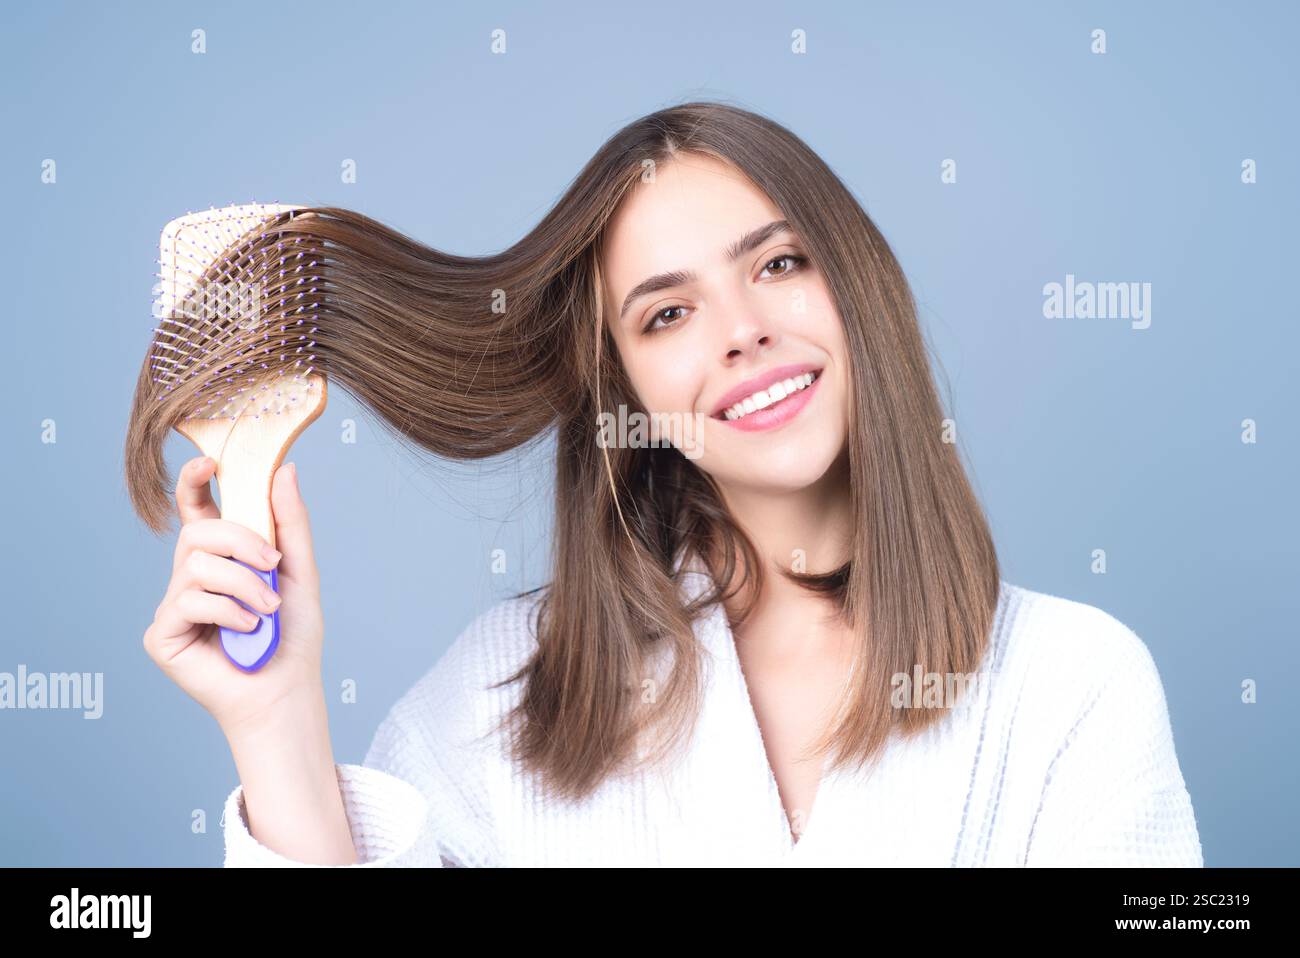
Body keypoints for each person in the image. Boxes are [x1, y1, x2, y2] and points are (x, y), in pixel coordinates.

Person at [138, 102, 1203, 867]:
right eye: (666, 313)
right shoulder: (506, 694)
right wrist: (275, 719)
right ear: (630, 390)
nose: (743, 331)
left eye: (778, 263)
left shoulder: (1074, 687)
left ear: (859, 285)